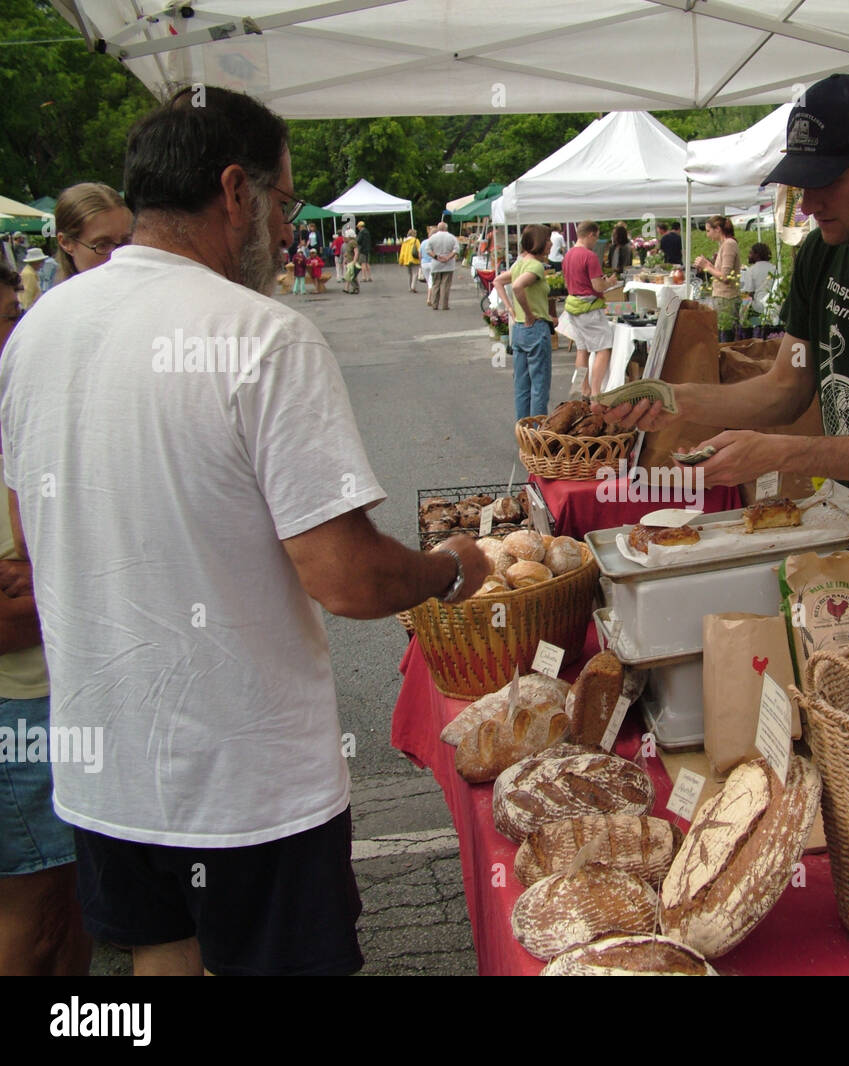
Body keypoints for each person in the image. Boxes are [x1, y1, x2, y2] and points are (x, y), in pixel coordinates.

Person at [0, 86, 490, 977]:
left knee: (160, 955)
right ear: (236, 192)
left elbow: (42, 525)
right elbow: (348, 579)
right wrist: (448, 569)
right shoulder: (263, 335)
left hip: (107, 769)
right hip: (247, 782)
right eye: (285, 201)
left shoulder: (37, 332)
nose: (288, 226)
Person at [600, 74, 849, 630]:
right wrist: (676, 401)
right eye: (800, 184)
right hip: (836, 536)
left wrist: (777, 454)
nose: (809, 204)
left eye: (825, 183)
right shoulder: (823, 252)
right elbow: (785, 390)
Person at [0, 263, 92, 976]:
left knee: (73, 908)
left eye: (13, 315)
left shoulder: (25, 427)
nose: (13, 335)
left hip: (66, 697)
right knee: (31, 920)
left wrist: (45, 577)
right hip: (19, 711)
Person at [494, 224, 554, 420]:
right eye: (548, 240)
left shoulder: (519, 264)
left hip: (519, 330)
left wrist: (512, 310)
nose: (551, 243)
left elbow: (498, 281)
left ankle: (524, 433)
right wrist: (529, 313)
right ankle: (537, 436)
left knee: (522, 386)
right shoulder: (536, 266)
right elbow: (518, 286)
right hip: (535, 329)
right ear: (540, 243)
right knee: (539, 387)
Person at [559, 220, 619, 398]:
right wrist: (610, 282)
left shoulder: (568, 255)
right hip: (589, 308)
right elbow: (598, 286)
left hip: (573, 306)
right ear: (591, 234)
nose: (596, 241)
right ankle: (596, 392)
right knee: (603, 348)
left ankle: (582, 389)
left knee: (582, 349)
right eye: (597, 236)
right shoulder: (590, 256)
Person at [54, 183, 133, 282]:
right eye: (103, 245)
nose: (118, 254)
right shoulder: (59, 297)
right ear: (66, 242)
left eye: (126, 242)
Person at [694, 216, 741, 341]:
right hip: (723, 297)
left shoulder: (729, 244)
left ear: (718, 229)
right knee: (721, 335)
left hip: (727, 297)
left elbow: (725, 277)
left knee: (725, 336)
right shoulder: (725, 244)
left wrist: (707, 266)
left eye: (708, 230)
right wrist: (708, 264)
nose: (707, 234)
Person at [739, 242, 777, 334]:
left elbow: (747, 293)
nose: (749, 256)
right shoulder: (774, 268)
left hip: (758, 308)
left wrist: (742, 314)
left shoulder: (751, 270)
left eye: (751, 253)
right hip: (774, 308)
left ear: (757, 255)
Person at [427, 222, 458, 310]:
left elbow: (428, 250)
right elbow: (456, 249)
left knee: (436, 284)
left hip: (436, 264)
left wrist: (436, 257)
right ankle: (444, 305)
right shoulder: (452, 237)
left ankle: (434, 304)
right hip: (448, 265)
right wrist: (448, 257)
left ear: (438, 228)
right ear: (446, 228)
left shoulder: (432, 238)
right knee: (445, 285)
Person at [398, 227, 420, 293]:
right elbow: (419, 250)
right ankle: (413, 287)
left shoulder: (404, 242)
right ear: (414, 234)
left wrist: (401, 261)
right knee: (415, 273)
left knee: (409, 274)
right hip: (414, 259)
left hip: (406, 260)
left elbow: (402, 252)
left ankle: (410, 287)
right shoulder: (416, 241)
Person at [342, 229, 361, 294]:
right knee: (352, 276)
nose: (345, 238)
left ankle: (356, 289)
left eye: (346, 236)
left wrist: (354, 261)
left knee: (352, 275)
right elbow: (349, 252)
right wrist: (346, 258)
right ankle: (355, 288)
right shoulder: (349, 243)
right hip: (349, 261)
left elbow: (356, 252)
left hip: (352, 261)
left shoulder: (352, 242)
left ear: (349, 236)